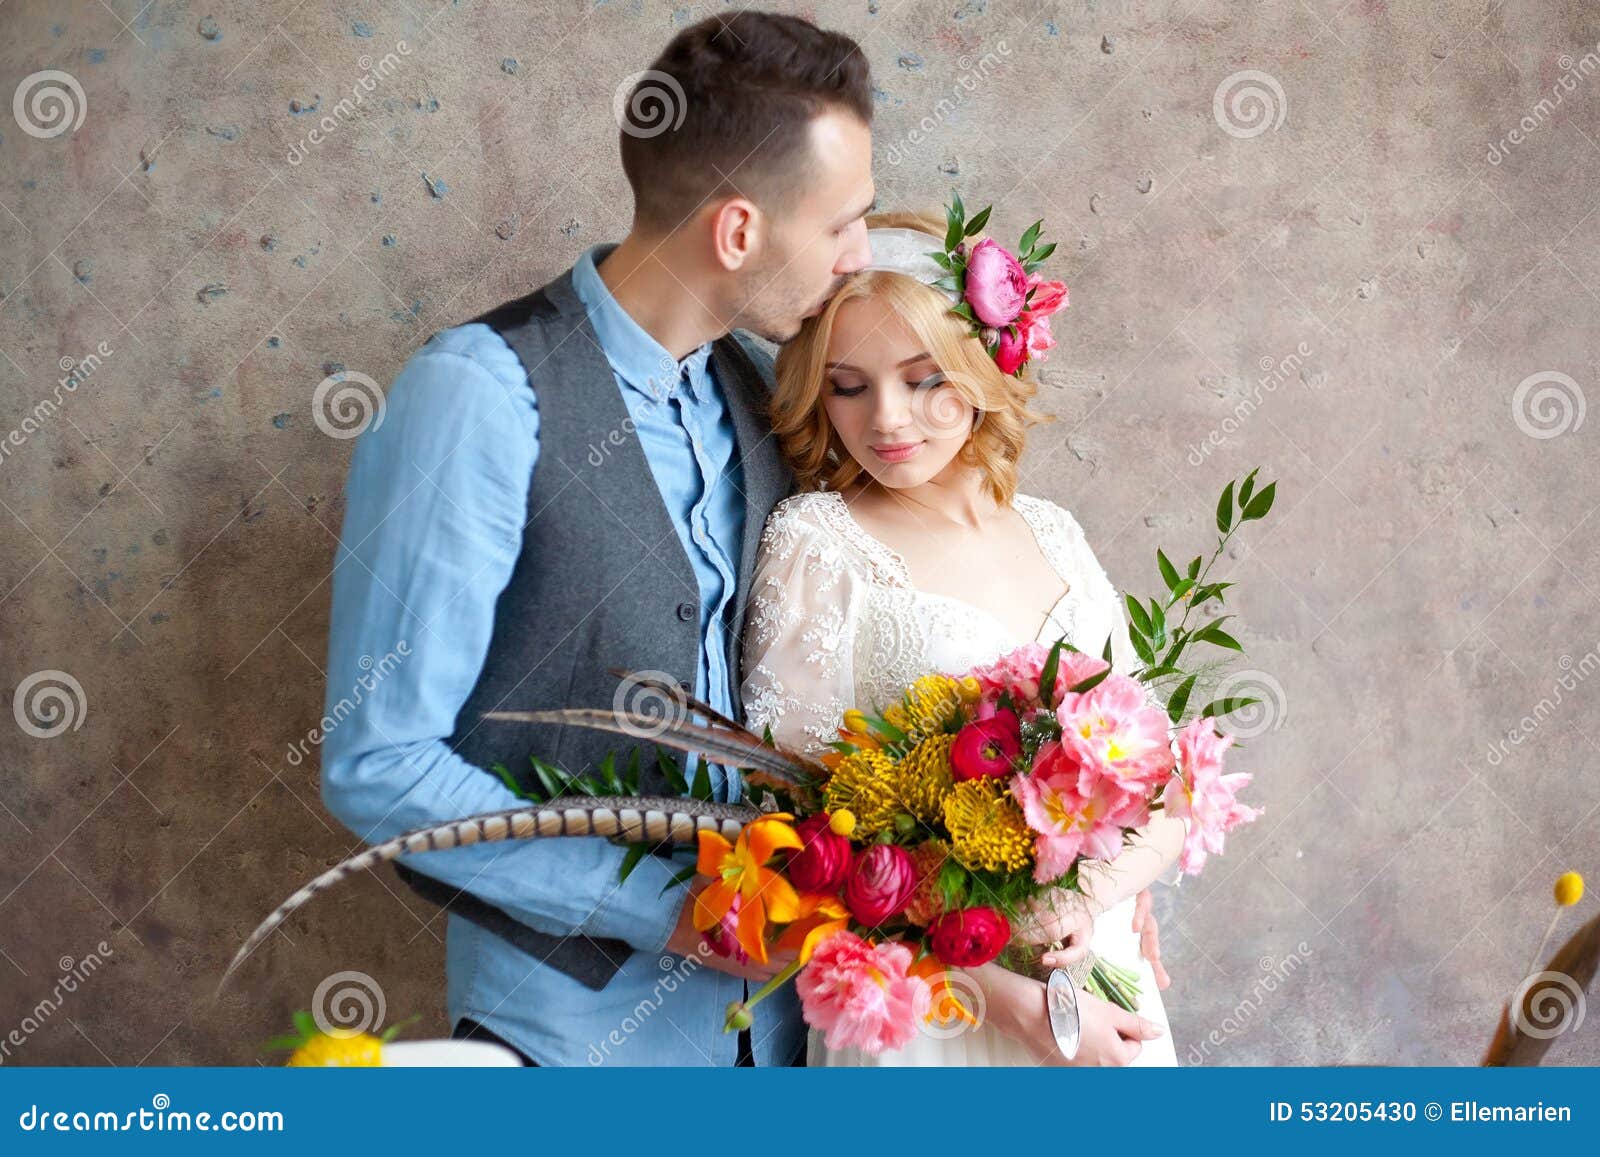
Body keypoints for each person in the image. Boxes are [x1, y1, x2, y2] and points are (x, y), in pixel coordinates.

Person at [319, 11, 876, 1067]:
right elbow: (376, 760)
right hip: (570, 1043)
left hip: (793, 1037)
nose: (857, 258)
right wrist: (671, 906)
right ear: (739, 232)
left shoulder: (764, 391)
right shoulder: (478, 395)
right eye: (844, 223)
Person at [740, 209, 1188, 1066]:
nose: (887, 419)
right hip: (933, 1012)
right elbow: (797, 835)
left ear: (983, 365)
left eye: (922, 379)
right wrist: (1010, 997)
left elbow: (1164, 779)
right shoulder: (818, 541)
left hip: (1100, 991)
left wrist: (1101, 893)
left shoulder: (1054, 530)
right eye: (847, 384)